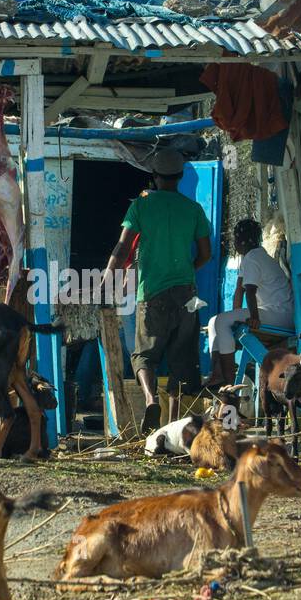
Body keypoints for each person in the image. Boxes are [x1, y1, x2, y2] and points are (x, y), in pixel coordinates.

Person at [102, 151, 211, 432]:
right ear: (180, 177)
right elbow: (206, 254)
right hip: (186, 294)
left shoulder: (141, 206)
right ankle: (173, 424)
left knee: (144, 355)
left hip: (152, 293)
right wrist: (186, 272)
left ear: (155, 177)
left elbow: (123, 247)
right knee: (181, 357)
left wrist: (106, 277)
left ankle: (151, 399)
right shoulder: (194, 209)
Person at [204, 218, 294, 388]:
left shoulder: (252, 258)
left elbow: (250, 290)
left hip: (278, 314)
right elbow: (240, 289)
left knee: (220, 321)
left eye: (235, 239)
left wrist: (253, 317)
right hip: (276, 313)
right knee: (215, 321)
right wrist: (234, 316)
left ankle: (227, 377)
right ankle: (216, 372)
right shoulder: (254, 256)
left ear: (241, 241)